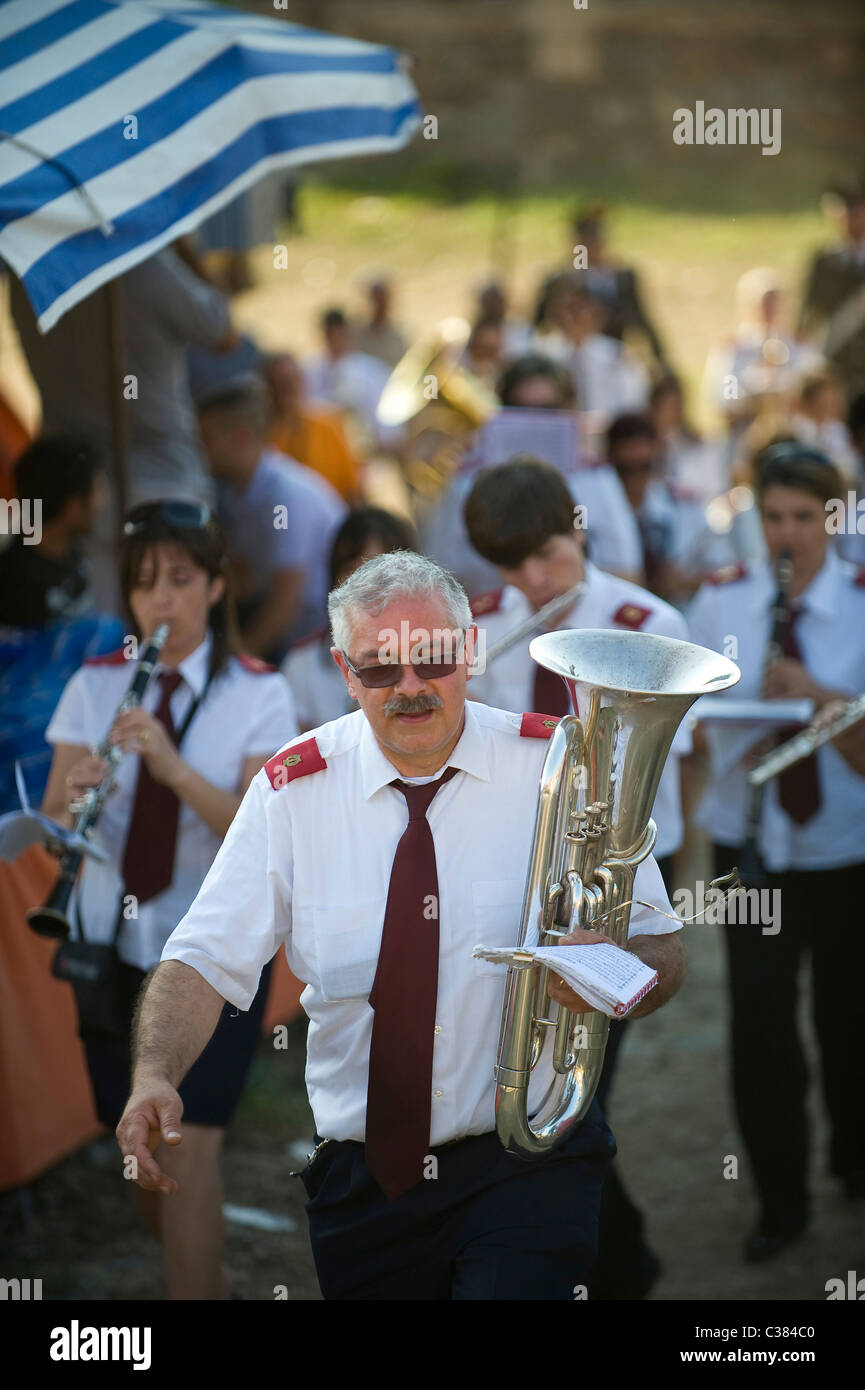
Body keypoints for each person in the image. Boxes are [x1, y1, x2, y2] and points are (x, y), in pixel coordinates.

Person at [115, 551, 685, 1302]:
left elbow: (661, 950)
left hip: (528, 1159)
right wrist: (153, 1074)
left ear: (472, 651)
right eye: (379, 669)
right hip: (363, 1181)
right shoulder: (293, 789)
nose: (410, 687)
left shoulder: (561, 765)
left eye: (434, 660)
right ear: (344, 673)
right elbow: (199, 962)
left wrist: (615, 973)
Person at [40, 500, 298, 1299]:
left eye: (181, 580)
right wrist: (74, 802)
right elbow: (52, 823)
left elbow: (259, 830)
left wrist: (172, 767)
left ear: (217, 586)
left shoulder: (259, 692)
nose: (161, 601)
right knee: (140, 1149)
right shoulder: (95, 684)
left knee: (191, 1146)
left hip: (214, 956)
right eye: (145, 583)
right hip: (114, 946)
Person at [463, 456, 693, 1299]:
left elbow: (678, 771)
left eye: (546, 555)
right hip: (507, 885)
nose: (530, 579)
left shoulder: (644, 621)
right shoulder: (478, 628)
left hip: (614, 886)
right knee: (536, 1090)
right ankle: (605, 1262)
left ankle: (603, 1265)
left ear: (577, 529)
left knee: (578, 1088)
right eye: (509, 564)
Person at [688, 442, 865, 1260]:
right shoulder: (721, 601)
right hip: (743, 843)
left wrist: (821, 701)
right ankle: (779, 1201)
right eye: (771, 518)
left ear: (832, 519)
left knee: (847, 1018)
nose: (786, 535)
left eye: (803, 518)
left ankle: (854, 1164)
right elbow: (683, 731)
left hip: (844, 848)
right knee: (758, 1030)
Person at [197, 381, 347, 660]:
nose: (201, 451)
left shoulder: (285, 495)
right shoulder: (235, 492)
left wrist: (235, 665)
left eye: (207, 438)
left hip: (323, 650)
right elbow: (245, 578)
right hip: (293, 643)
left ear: (241, 438)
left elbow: (284, 603)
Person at [281, 507, 418, 731]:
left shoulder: (436, 657)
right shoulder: (302, 664)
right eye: (351, 570)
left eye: (380, 571)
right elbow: (296, 759)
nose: (365, 585)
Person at [0, 436, 103, 628]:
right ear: (73, 507)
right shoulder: (15, 588)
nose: (101, 504)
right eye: (97, 493)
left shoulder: (72, 555)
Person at [567, 202, 669, 371]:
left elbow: (641, 319)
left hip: (612, 362)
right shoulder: (564, 281)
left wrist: (661, 360)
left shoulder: (623, 279)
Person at [263, 353, 362, 504]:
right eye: (279, 383)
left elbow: (352, 489)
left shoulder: (328, 425)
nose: (287, 389)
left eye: (292, 381)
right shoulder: (261, 437)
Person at [798, 179, 865, 397]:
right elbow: (808, 314)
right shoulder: (824, 261)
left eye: (856, 210)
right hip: (835, 365)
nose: (848, 217)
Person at [352, 278, 408, 368]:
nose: (379, 305)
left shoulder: (399, 338)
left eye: (382, 300)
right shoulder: (354, 335)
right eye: (375, 300)